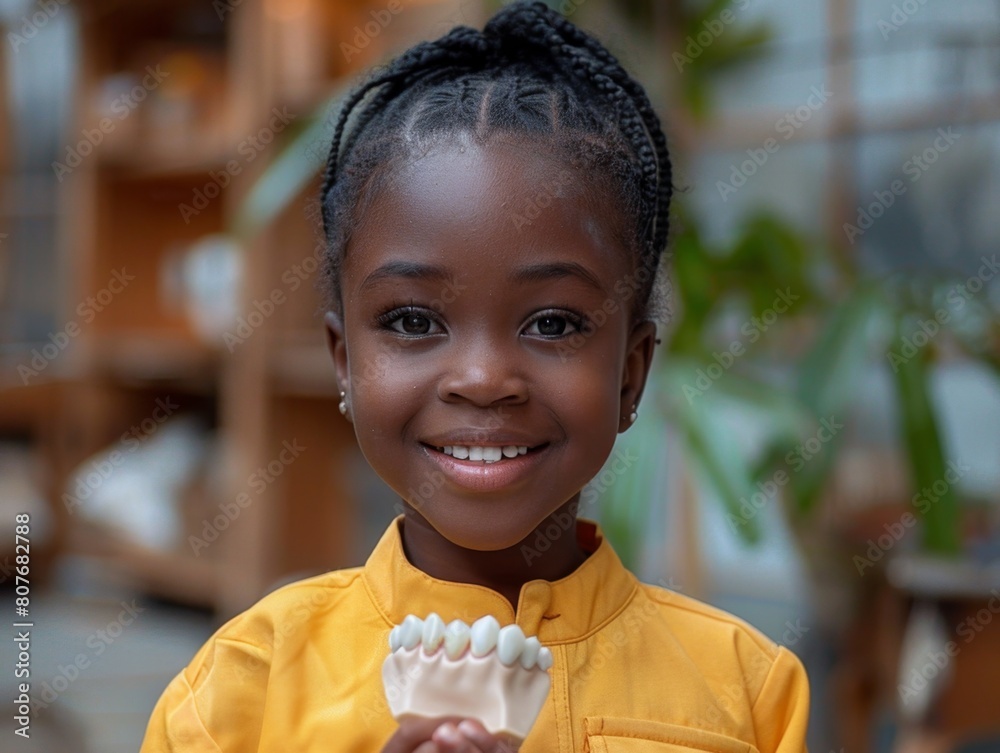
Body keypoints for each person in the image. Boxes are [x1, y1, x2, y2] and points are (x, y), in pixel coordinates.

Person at [139, 2, 810, 751]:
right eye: (414, 321)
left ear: (630, 375)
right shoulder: (242, 691)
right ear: (345, 363)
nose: (485, 377)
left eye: (552, 323)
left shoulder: (745, 691)